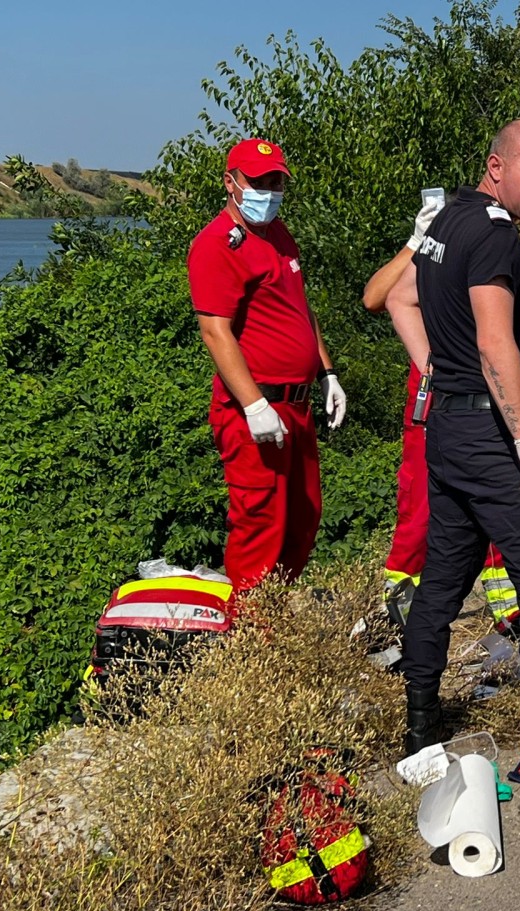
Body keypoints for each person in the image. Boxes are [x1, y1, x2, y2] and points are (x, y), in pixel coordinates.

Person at [384, 120, 520, 755]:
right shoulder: (493, 233)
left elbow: (398, 300)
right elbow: (496, 343)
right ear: (497, 167)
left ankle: (417, 725)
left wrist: (434, 366)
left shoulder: (443, 220)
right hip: (492, 435)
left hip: (447, 427)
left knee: (442, 578)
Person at [187, 138, 346, 593]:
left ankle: (270, 617)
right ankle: (252, 634)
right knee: (260, 527)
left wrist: (327, 373)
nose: (270, 190)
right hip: (255, 409)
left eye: (276, 180)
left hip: (296, 406)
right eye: (259, 181)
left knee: (304, 518)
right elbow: (216, 331)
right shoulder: (217, 245)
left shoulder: (276, 233)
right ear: (231, 183)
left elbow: (300, 308)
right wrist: (254, 405)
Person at [362, 201, 520, 632]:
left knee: (499, 496)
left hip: (480, 386)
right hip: (435, 389)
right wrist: (417, 240)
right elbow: (375, 297)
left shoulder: (486, 248)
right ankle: (398, 614)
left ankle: (510, 610)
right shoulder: (429, 254)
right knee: (420, 507)